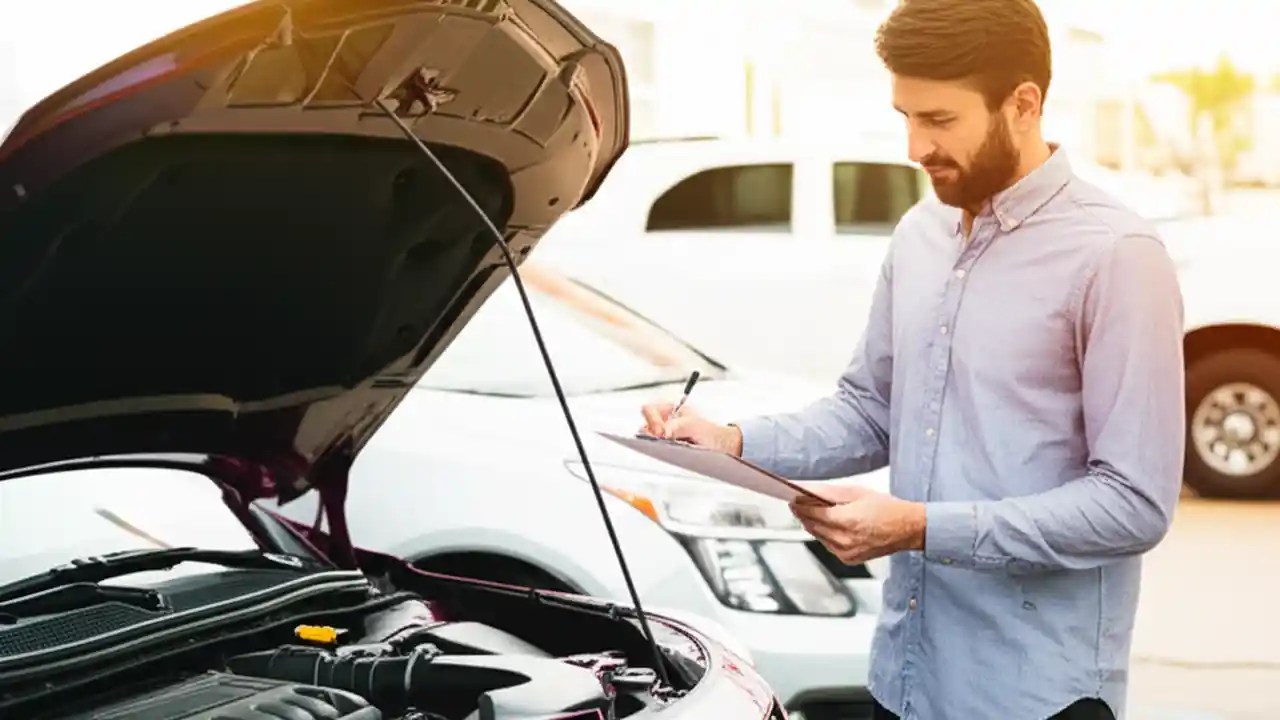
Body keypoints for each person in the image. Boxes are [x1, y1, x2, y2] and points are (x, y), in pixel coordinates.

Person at [639, 0, 1186, 718]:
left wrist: (920, 526)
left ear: (1024, 104)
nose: (913, 147)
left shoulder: (1116, 257)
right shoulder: (920, 234)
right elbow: (869, 408)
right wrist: (730, 442)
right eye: (905, 116)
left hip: (1035, 697)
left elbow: (1133, 505)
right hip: (904, 677)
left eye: (939, 120)